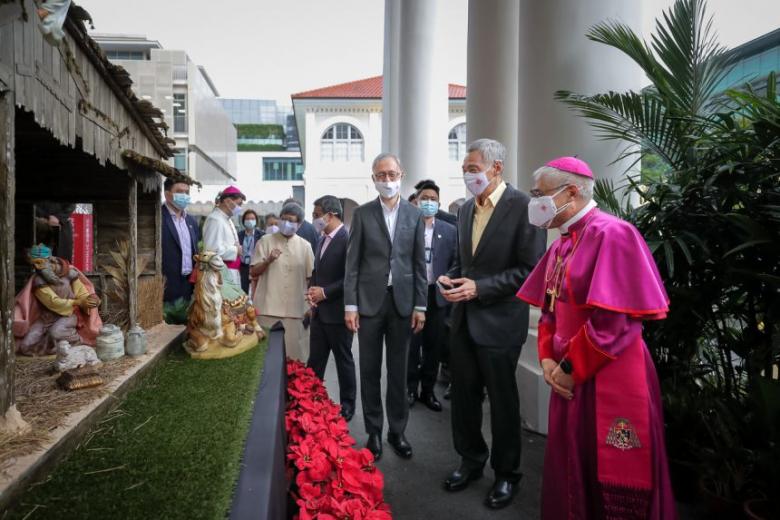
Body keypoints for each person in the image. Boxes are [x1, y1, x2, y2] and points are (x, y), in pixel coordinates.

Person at [516, 157, 676, 519]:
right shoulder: (561, 243)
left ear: (570, 192)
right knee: (573, 461)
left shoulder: (612, 233)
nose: (534, 202)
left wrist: (569, 368)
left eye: (539, 194)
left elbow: (614, 322)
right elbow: (549, 312)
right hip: (567, 374)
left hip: (608, 371)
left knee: (609, 465)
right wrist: (546, 360)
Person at [438, 138, 546, 509]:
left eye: (473, 168)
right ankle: (470, 460)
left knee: (502, 402)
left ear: (496, 168)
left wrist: (479, 288)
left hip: (500, 322)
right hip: (464, 320)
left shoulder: (524, 207)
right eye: (465, 169)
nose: (468, 175)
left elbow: (531, 271)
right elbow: (463, 262)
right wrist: (451, 279)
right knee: (464, 399)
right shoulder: (466, 209)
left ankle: (506, 474)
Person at [344, 152, 427, 461]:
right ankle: (374, 432)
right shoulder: (363, 214)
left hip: (403, 303)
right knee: (369, 369)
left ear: (401, 174)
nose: (388, 180)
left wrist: (422, 305)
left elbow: (420, 264)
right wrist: (350, 306)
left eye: (392, 174)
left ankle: (397, 431)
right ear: (374, 179)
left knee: (399, 370)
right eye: (381, 175)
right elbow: (352, 264)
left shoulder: (414, 215)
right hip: (368, 303)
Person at [407, 180, 456, 412]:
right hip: (411, 296)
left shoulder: (449, 231)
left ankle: (428, 391)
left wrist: (448, 277)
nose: (428, 202)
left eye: (433, 199)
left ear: (439, 203)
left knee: (433, 347)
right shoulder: (404, 229)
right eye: (424, 198)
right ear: (416, 202)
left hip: (437, 296)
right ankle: (409, 389)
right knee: (411, 346)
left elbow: (457, 262)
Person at [306, 196, 356, 421]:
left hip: (338, 313)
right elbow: (318, 271)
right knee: (315, 361)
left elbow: (351, 277)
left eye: (317, 215)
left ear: (331, 215)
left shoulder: (348, 239)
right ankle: (308, 398)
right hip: (319, 313)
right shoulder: (321, 238)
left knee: (343, 360)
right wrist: (312, 291)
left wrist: (324, 293)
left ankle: (348, 404)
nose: (315, 219)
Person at [251, 202, 314, 362]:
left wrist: (310, 307)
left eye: (291, 220)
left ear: (299, 224)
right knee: (264, 357)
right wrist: (268, 260)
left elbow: (311, 278)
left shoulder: (305, 246)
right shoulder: (265, 241)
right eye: (283, 219)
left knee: (295, 357)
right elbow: (253, 272)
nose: (286, 223)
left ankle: (294, 387)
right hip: (267, 308)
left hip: (296, 310)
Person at [14, 244, 102, 356]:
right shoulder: (39, 280)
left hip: (69, 314)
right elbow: (52, 301)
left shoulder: (69, 273)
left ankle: (79, 340)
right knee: (26, 346)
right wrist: (77, 301)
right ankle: (52, 348)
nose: (37, 267)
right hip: (46, 317)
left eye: (39, 262)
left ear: (50, 260)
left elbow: (81, 292)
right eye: (34, 264)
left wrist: (90, 300)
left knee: (56, 332)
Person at [161, 179, 200, 304]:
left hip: (189, 283)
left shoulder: (191, 221)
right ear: (167, 194)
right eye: (179, 191)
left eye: (186, 192)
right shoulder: (158, 217)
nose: (184, 195)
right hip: (167, 284)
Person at [203, 185, 245, 285]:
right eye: (239, 204)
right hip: (221, 275)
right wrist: (236, 250)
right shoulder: (215, 219)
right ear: (227, 201)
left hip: (230, 272)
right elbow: (211, 252)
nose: (240, 208)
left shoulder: (226, 219)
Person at [238, 209, 264, 294]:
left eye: (252, 219)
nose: (250, 221)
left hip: (256, 266)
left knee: (256, 291)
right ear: (243, 221)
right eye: (247, 219)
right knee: (243, 291)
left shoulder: (262, 235)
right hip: (243, 267)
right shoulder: (239, 235)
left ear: (256, 220)